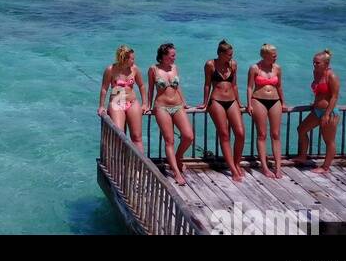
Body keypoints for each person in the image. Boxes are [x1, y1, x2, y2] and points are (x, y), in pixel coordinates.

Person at [147, 43, 195, 186]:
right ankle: (176, 172)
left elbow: (177, 87)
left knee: (188, 136)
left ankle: (178, 157)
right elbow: (150, 89)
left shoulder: (175, 68)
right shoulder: (153, 69)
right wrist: (148, 105)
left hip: (178, 105)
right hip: (161, 107)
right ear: (164, 56)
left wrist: (184, 102)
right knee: (170, 141)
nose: (175, 57)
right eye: (172, 55)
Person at [202, 40, 246, 182]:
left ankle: (237, 163)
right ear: (221, 54)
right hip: (216, 100)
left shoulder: (233, 65)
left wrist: (239, 102)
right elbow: (207, 84)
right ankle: (232, 169)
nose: (231, 57)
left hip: (232, 100)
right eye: (228, 55)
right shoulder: (210, 64)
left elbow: (234, 85)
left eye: (232, 55)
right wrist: (204, 103)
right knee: (224, 134)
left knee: (240, 133)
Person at [292, 49, 341, 174]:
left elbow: (334, 97)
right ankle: (303, 156)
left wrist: (326, 114)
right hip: (317, 110)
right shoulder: (316, 73)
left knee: (329, 140)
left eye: (317, 63)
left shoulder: (332, 76)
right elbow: (319, 91)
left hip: (329, 112)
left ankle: (325, 167)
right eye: (314, 62)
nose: (314, 65)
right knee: (301, 129)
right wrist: (315, 104)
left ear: (326, 64)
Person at [246, 43, 288, 179]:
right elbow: (249, 87)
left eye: (276, 55)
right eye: (273, 55)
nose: (276, 57)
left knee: (276, 134)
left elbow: (280, 86)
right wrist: (248, 104)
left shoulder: (278, 68)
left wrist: (283, 102)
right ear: (265, 55)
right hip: (258, 100)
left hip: (275, 100)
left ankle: (278, 167)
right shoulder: (254, 68)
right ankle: (264, 167)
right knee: (262, 134)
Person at [99, 45, 149, 152]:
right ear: (124, 59)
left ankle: (139, 166)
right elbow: (104, 89)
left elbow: (142, 86)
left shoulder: (134, 69)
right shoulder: (110, 70)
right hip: (116, 103)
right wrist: (101, 106)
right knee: (120, 135)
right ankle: (122, 163)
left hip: (132, 102)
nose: (133, 61)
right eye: (132, 58)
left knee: (137, 137)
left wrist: (145, 103)